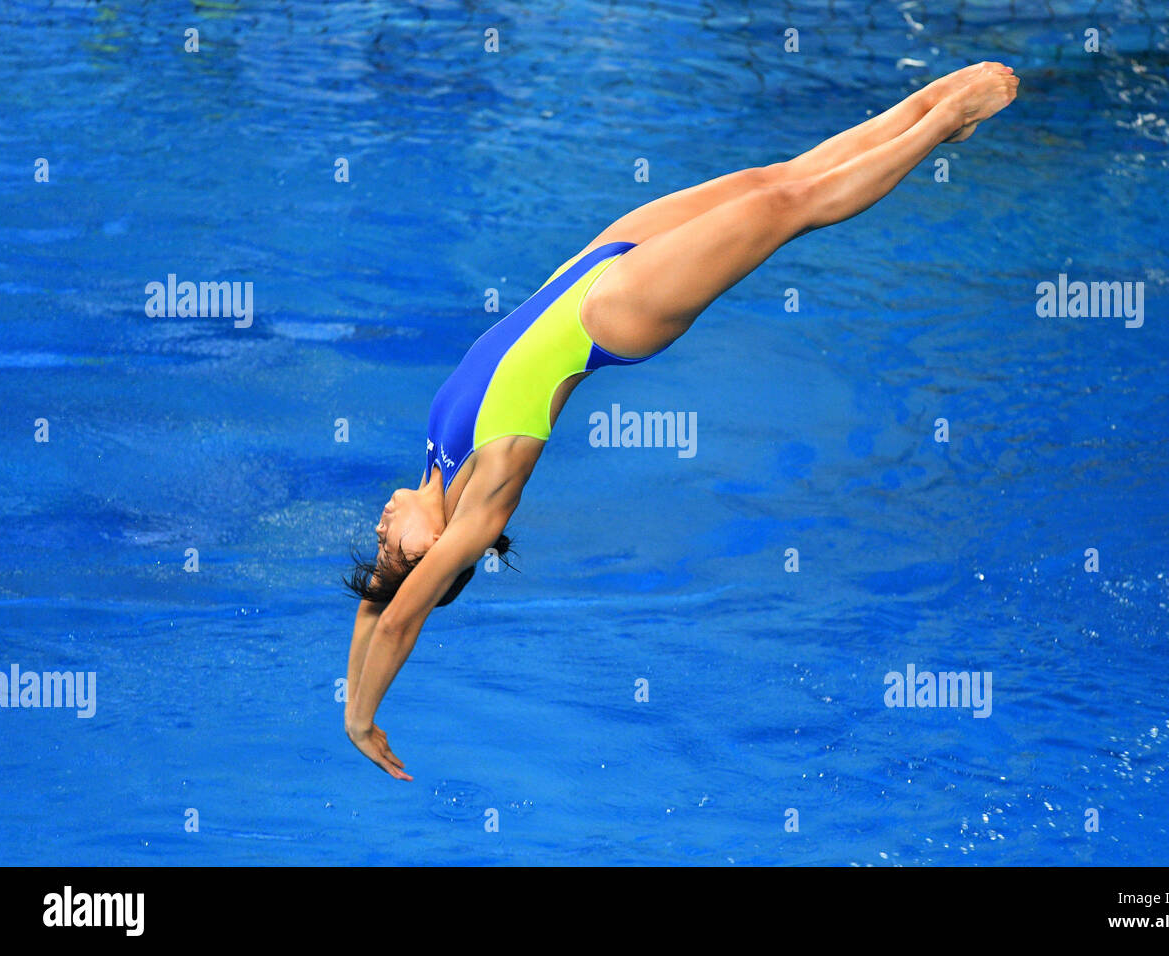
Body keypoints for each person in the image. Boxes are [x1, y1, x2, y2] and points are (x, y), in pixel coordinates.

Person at [343, 62, 1019, 779]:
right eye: (389, 547)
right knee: (793, 206)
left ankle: (925, 107)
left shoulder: (434, 472)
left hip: (592, 267)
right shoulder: (480, 499)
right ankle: (943, 124)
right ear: (434, 552)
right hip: (614, 313)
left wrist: (351, 690)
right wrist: (363, 719)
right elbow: (397, 620)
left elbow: (374, 613)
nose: (381, 527)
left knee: (771, 180)